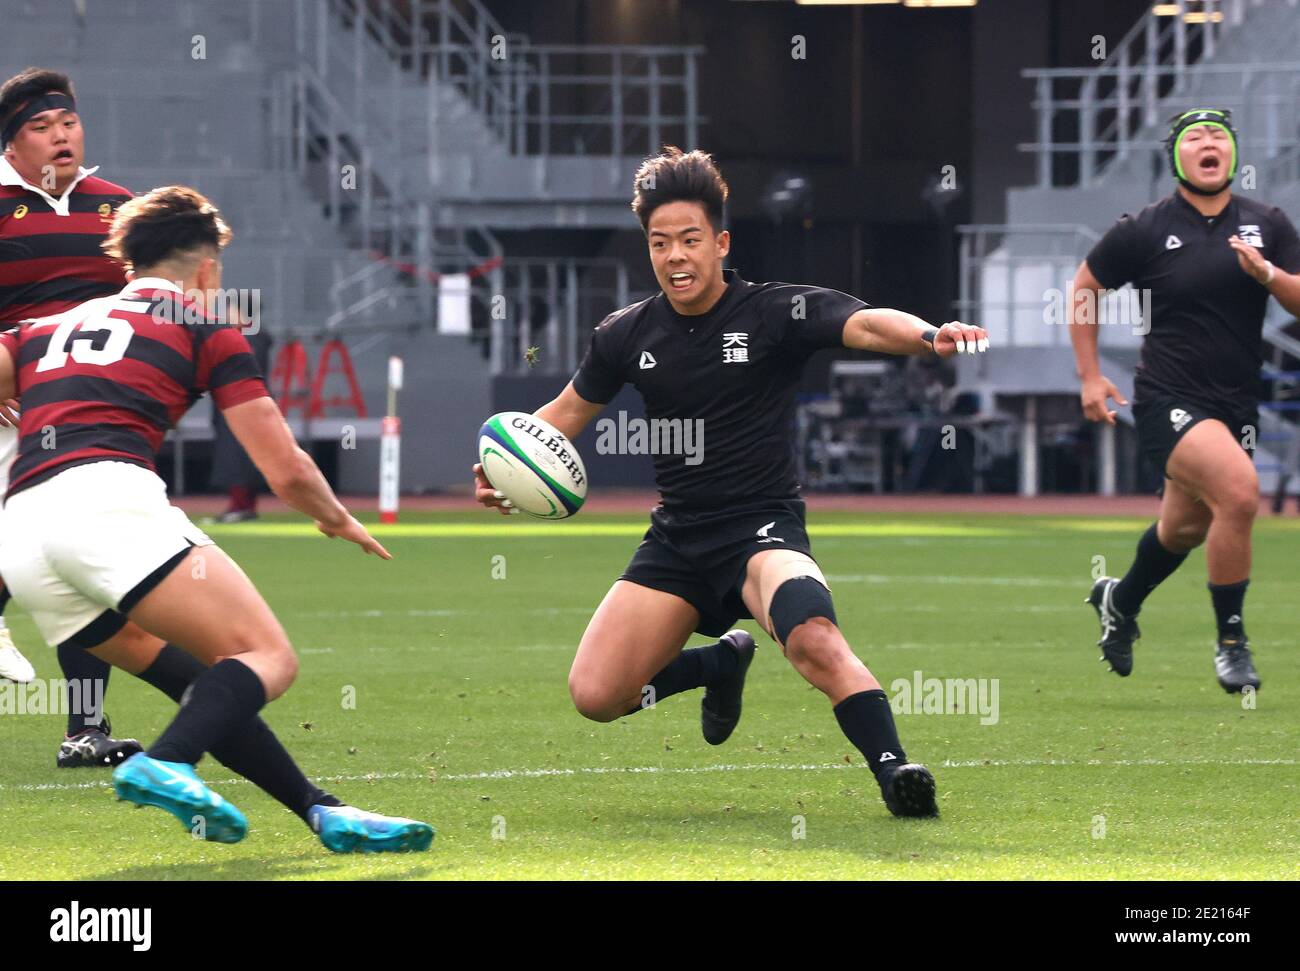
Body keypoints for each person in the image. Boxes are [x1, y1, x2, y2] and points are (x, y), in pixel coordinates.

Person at [474, 147, 990, 818]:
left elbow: (862, 322)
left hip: (762, 532)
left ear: (720, 242)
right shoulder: (624, 333)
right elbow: (564, 416)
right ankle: (716, 664)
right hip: (680, 540)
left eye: (690, 240)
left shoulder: (774, 313)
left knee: (813, 638)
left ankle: (895, 771)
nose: (675, 256)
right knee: (597, 694)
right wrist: (503, 467)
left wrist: (929, 335)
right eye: (660, 243)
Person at [0, 185, 433, 852]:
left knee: (200, 680)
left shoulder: (46, 328)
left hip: (21, 532)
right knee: (267, 656)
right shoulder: (206, 326)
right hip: (105, 503)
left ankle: (322, 810)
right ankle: (167, 762)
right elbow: (283, 467)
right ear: (205, 269)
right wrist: (336, 517)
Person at [1071, 108, 1300, 692]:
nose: (1208, 144)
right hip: (1167, 397)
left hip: (1235, 405)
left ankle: (1119, 600)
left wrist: (1268, 274)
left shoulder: (1266, 223)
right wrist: (1091, 376)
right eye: (1194, 138)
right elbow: (1085, 288)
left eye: (1218, 137)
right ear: (1176, 156)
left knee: (1184, 530)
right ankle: (1231, 641)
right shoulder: (1144, 229)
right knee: (1241, 494)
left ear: (1232, 154)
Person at [0, 66, 141, 762]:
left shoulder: (120, 209)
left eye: (69, 123)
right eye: (41, 127)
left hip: (89, 416)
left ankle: (86, 729)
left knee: (82, 564)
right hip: (6, 413)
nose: (61, 137)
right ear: (11, 143)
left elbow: (152, 302)